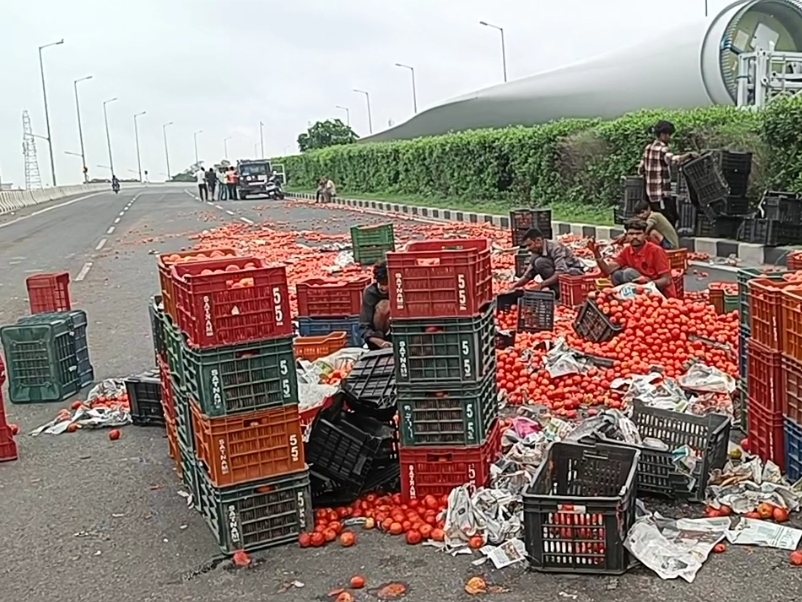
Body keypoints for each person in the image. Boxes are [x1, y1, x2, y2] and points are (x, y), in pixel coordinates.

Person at [588, 219, 676, 297]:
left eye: (638, 234)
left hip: (658, 292)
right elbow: (608, 270)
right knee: (616, 275)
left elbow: (666, 280)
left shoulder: (656, 251)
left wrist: (647, 284)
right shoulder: (627, 250)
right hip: (640, 290)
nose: (634, 237)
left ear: (645, 235)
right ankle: (624, 298)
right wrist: (596, 253)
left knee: (628, 273)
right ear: (626, 236)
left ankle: (629, 296)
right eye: (631, 234)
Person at [637, 120, 698, 225]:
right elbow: (674, 160)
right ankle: (667, 240)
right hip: (661, 194)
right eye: (668, 135)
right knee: (668, 220)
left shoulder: (648, 148)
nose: (669, 137)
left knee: (657, 218)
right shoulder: (662, 149)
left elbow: (641, 168)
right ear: (663, 135)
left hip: (650, 193)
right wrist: (689, 155)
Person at [512, 228, 585, 295]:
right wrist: (513, 287)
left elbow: (561, 271)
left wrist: (541, 285)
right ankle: (553, 289)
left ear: (538, 241)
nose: (528, 249)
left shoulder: (555, 248)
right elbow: (528, 275)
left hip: (573, 274)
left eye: (529, 245)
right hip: (560, 275)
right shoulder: (535, 254)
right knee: (537, 262)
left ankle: (558, 291)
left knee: (540, 262)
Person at [359, 261, 392, 350]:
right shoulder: (370, 293)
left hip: (394, 331)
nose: (382, 287)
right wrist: (380, 342)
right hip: (378, 337)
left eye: (386, 284)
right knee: (384, 305)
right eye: (380, 283)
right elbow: (364, 326)